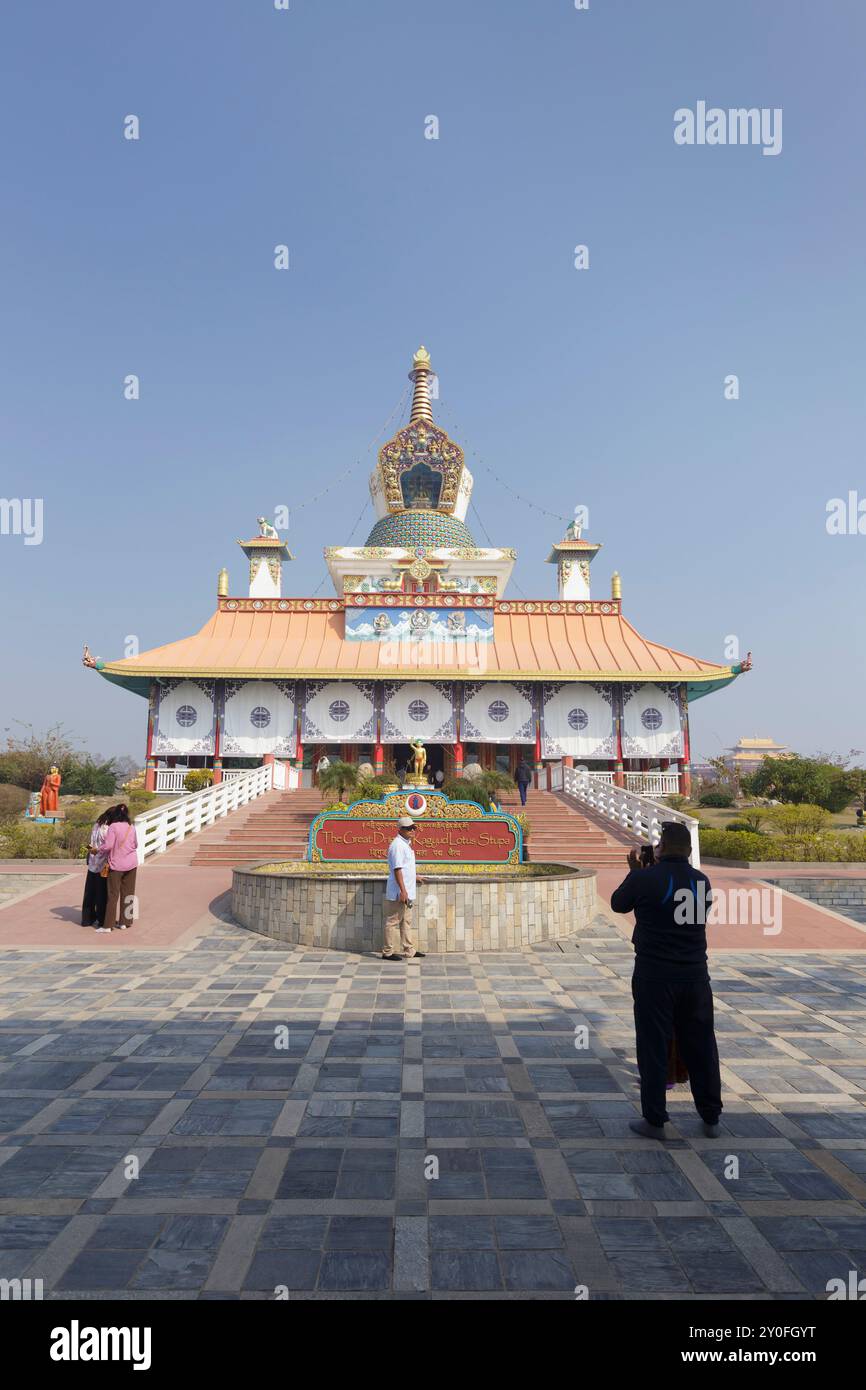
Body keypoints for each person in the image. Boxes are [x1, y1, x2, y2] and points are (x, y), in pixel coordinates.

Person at [610, 822, 722, 1140]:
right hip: (695, 975)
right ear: (688, 851)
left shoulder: (645, 878)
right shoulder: (701, 881)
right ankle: (711, 1116)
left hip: (654, 975)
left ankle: (655, 1120)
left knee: (653, 1045)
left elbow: (619, 904)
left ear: (660, 848)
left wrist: (636, 872)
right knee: (701, 1045)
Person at [382, 816, 426, 962]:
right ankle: (387, 952)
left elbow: (406, 868)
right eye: (408, 828)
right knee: (393, 921)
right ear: (400, 830)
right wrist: (403, 890)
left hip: (407, 890)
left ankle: (409, 950)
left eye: (413, 827)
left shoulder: (406, 844)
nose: (412, 830)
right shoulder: (397, 846)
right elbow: (397, 869)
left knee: (406, 921)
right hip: (399, 892)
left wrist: (415, 877)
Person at [99, 803, 139, 933]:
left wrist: (99, 850)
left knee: (113, 894)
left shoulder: (113, 827)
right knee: (128, 893)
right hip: (132, 864)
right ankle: (125, 922)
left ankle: (108, 925)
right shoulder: (131, 827)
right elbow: (136, 844)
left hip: (116, 865)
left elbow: (108, 845)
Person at [81, 806, 114, 928]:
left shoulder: (96, 825)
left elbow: (89, 844)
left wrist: (92, 851)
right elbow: (108, 846)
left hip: (92, 862)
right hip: (103, 865)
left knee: (89, 892)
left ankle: (86, 919)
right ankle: (102, 919)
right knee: (101, 893)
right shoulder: (108, 829)